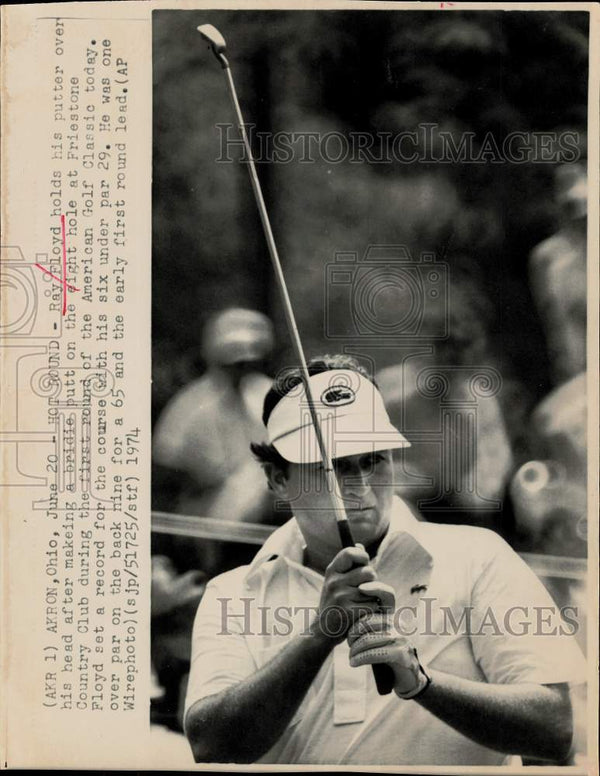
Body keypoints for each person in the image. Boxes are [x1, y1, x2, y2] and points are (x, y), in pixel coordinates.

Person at [184, 354, 586, 765]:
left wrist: (423, 684)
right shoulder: (233, 591)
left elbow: (554, 730)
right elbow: (211, 744)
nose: (360, 484)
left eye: (373, 459)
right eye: (334, 466)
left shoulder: (480, 556)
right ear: (277, 478)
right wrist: (321, 634)